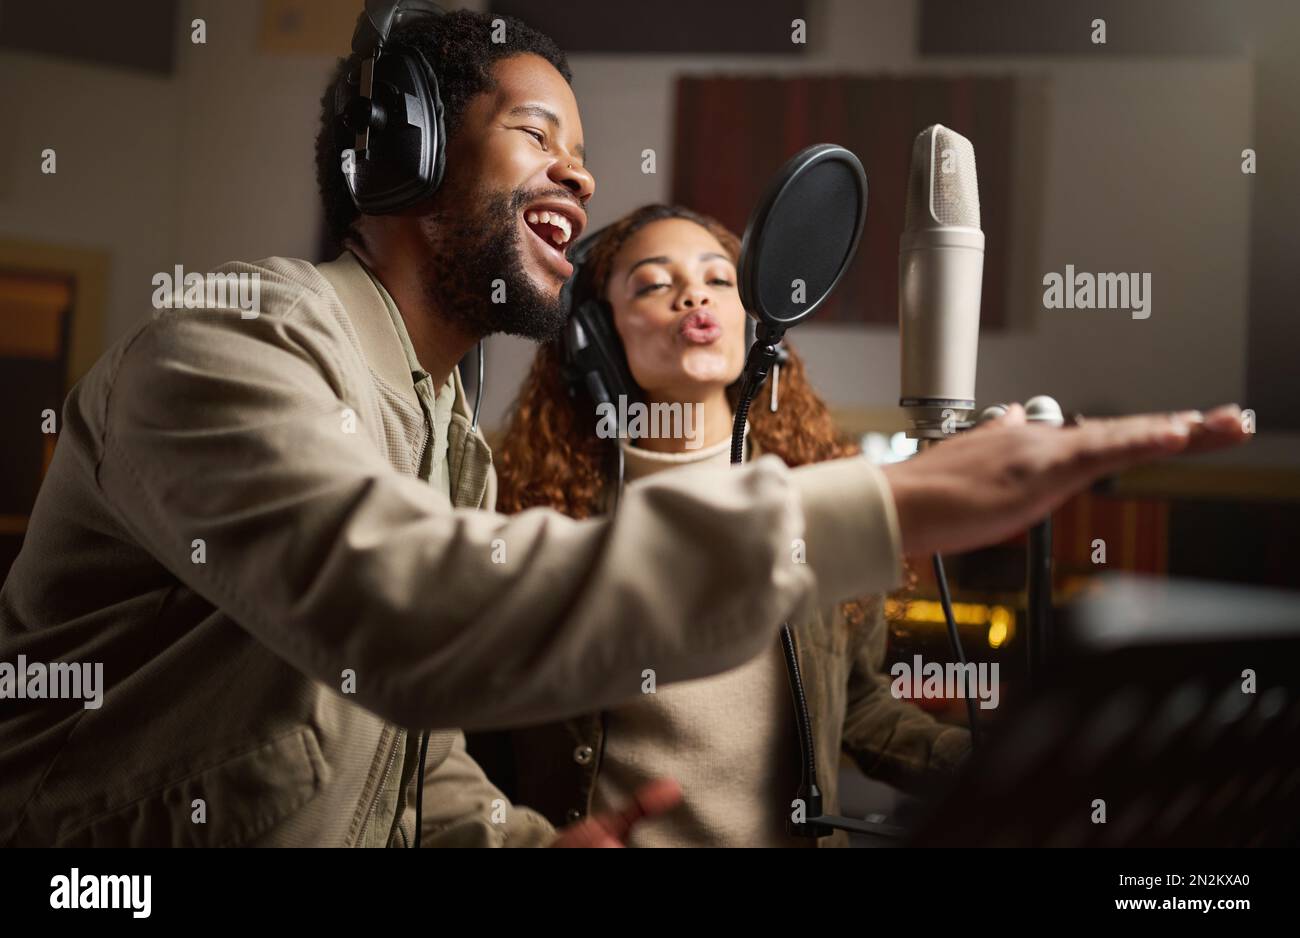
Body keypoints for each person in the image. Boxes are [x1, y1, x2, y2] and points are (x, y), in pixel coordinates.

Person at [0, 7, 1248, 848]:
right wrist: (898, 501)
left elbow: (402, 754)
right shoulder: (232, 342)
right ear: (405, 155)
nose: (582, 177)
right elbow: (401, 611)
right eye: (536, 133)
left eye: (583, 150)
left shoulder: (447, 439)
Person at [480, 204, 970, 846]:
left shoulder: (819, 499)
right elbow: (476, 735)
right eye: (654, 284)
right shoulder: (532, 513)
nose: (693, 295)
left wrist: (1004, 764)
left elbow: (862, 710)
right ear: (594, 336)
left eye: (719, 280)